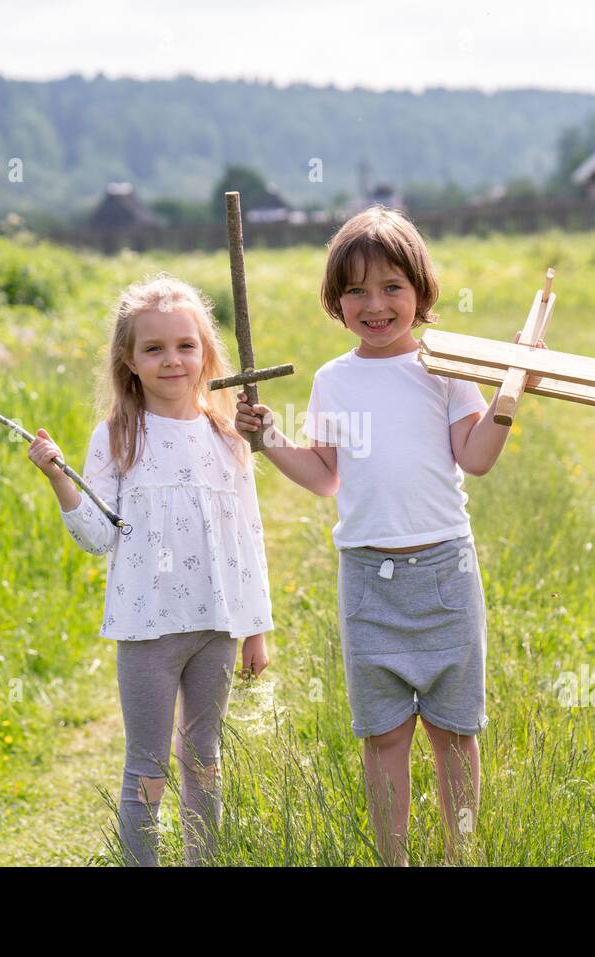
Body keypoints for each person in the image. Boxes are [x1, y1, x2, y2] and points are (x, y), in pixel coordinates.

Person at [235, 206, 527, 865]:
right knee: (384, 733)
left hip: (446, 570)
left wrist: (509, 397)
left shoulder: (447, 365)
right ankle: (391, 857)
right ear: (336, 303)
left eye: (392, 286)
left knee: (454, 731)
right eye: (357, 291)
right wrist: (269, 438)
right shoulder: (334, 380)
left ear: (421, 292)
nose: (376, 304)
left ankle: (462, 851)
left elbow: (475, 457)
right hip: (368, 578)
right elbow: (325, 476)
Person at [29, 273, 273, 866]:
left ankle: (203, 861)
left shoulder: (226, 436)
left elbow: (249, 535)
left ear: (206, 354)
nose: (172, 360)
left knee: (206, 759)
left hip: (215, 627)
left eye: (185, 346)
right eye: (154, 349)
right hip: (146, 632)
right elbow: (93, 537)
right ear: (129, 361)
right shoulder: (117, 437)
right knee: (148, 765)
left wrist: (257, 627)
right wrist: (59, 477)